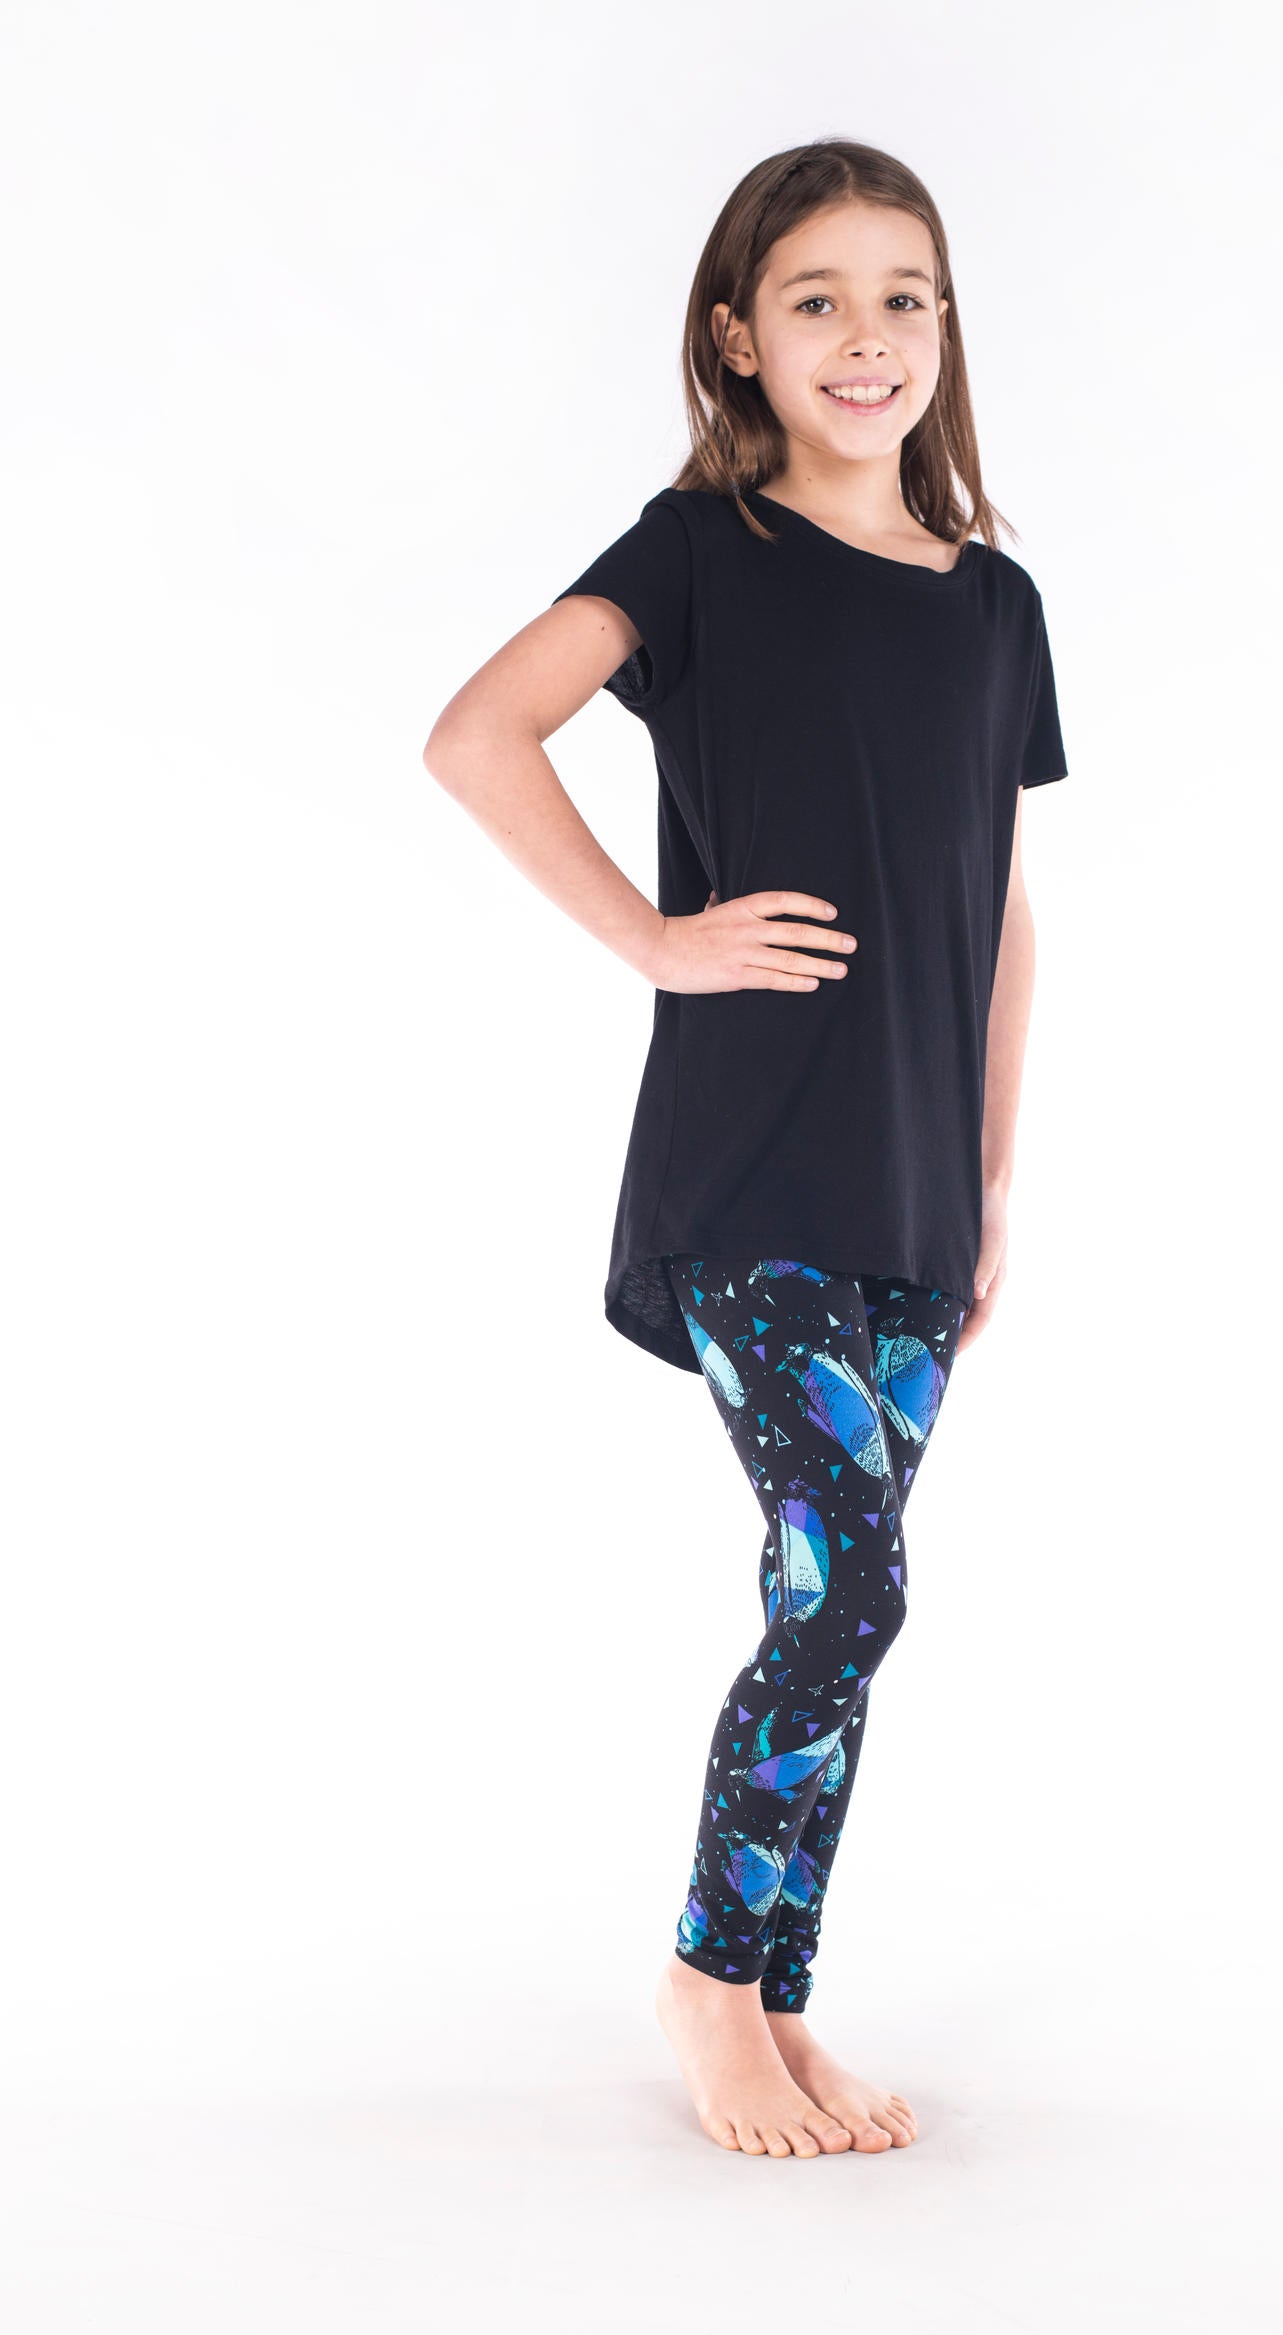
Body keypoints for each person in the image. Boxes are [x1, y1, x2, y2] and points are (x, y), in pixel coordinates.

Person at [423, 137, 1068, 2161]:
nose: (865, 337)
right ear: (738, 338)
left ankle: (778, 1998)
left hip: (912, 1190)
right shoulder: (701, 552)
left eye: (901, 296)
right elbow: (475, 734)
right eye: (816, 300)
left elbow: (998, 906)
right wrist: (653, 937)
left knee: (839, 1602)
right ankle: (711, 1982)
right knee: (848, 1588)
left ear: (942, 328)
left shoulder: (996, 606)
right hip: (749, 1171)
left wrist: (990, 1177)